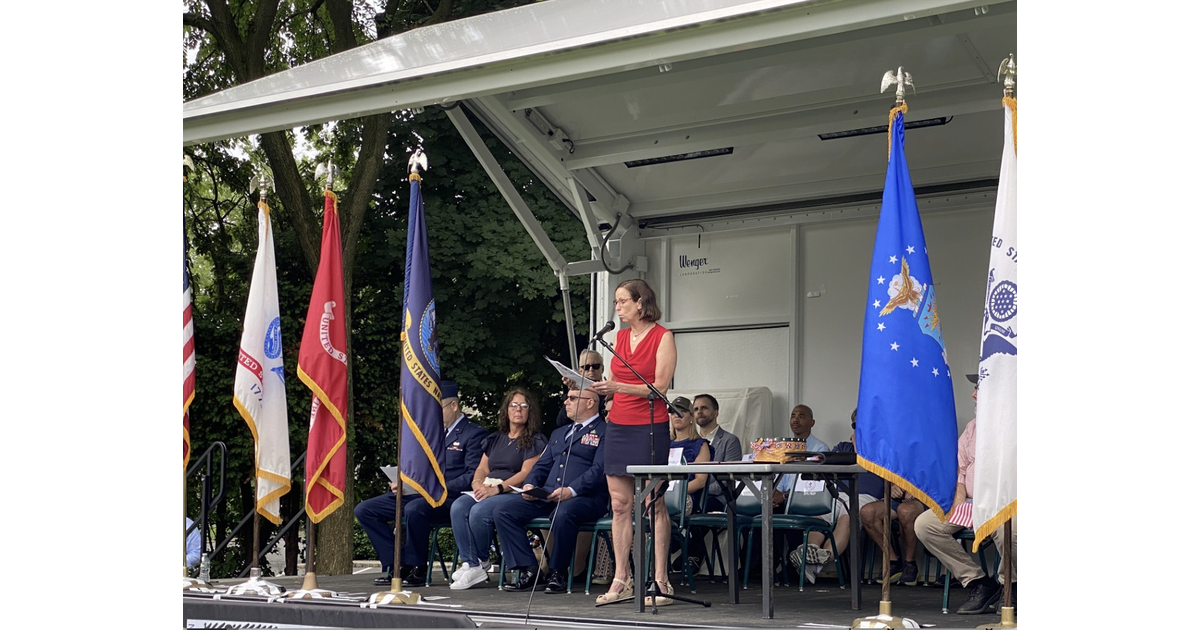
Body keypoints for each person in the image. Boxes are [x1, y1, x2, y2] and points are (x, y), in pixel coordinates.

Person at [589, 278, 678, 606]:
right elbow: (617, 384)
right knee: (619, 504)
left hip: (649, 426)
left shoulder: (663, 336)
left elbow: (659, 388)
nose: (617, 307)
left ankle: (661, 581)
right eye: (615, 301)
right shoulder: (619, 337)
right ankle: (621, 577)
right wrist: (606, 392)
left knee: (652, 503)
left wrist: (618, 388)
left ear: (641, 303)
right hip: (619, 425)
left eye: (623, 301)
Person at [354, 380, 488, 587]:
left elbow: (472, 475)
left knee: (414, 508)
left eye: (438, 407)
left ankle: (417, 567)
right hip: (419, 492)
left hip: (448, 497)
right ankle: (396, 564)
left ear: (454, 405)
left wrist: (438, 487)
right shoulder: (428, 433)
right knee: (366, 509)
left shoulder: (474, 434)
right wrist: (402, 481)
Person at [484, 387, 608, 594]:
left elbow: (599, 470)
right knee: (504, 512)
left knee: (563, 513)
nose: (566, 402)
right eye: (566, 398)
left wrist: (571, 490)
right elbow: (542, 465)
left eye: (572, 398)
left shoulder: (605, 431)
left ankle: (558, 572)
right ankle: (529, 569)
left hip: (585, 498)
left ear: (590, 402)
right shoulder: (560, 432)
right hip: (549, 495)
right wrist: (530, 485)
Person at [915, 374, 1017, 615]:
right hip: (972, 501)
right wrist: (959, 500)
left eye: (979, 388)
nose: (973, 394)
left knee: (1007, 531)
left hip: (1004, 502)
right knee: (925, 525)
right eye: (974, 388)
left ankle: (1009, 586)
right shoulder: (972, 427)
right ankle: (978, 582)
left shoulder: (1014, 427)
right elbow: (961, 469)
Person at [791, 409, 925, 586]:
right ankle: (812, 552)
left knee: (847, 518)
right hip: (837, 495)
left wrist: (861, 449)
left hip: (865, 496)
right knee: (818, 517)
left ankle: (822, 557)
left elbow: (897, 477)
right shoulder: (843, 447)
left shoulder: (883, 450)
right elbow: (826, 465)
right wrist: (854, 449)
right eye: (856, 426)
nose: (859, 430)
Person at [448, 388, 548, 590]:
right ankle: (471, 563)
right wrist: (477, 483)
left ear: (530, 412)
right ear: (506, 410)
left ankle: (481, 560)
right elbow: (482, 467)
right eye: (514, 405)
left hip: (511, 490)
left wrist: (498, 489)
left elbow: (526, 473)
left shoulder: (536, 440)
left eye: (523, 406)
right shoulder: (495, 439)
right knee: (458, 506)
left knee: (479, 511)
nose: (518, 410)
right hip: (488, 487)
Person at [556, 349, 608, 427]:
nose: (591, 370)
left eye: (595, 366)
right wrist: (573, 393)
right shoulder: (575, 390)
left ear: (602, 369)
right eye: (586, 367)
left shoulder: (609, 390)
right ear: (580, 370)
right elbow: (561, 421)